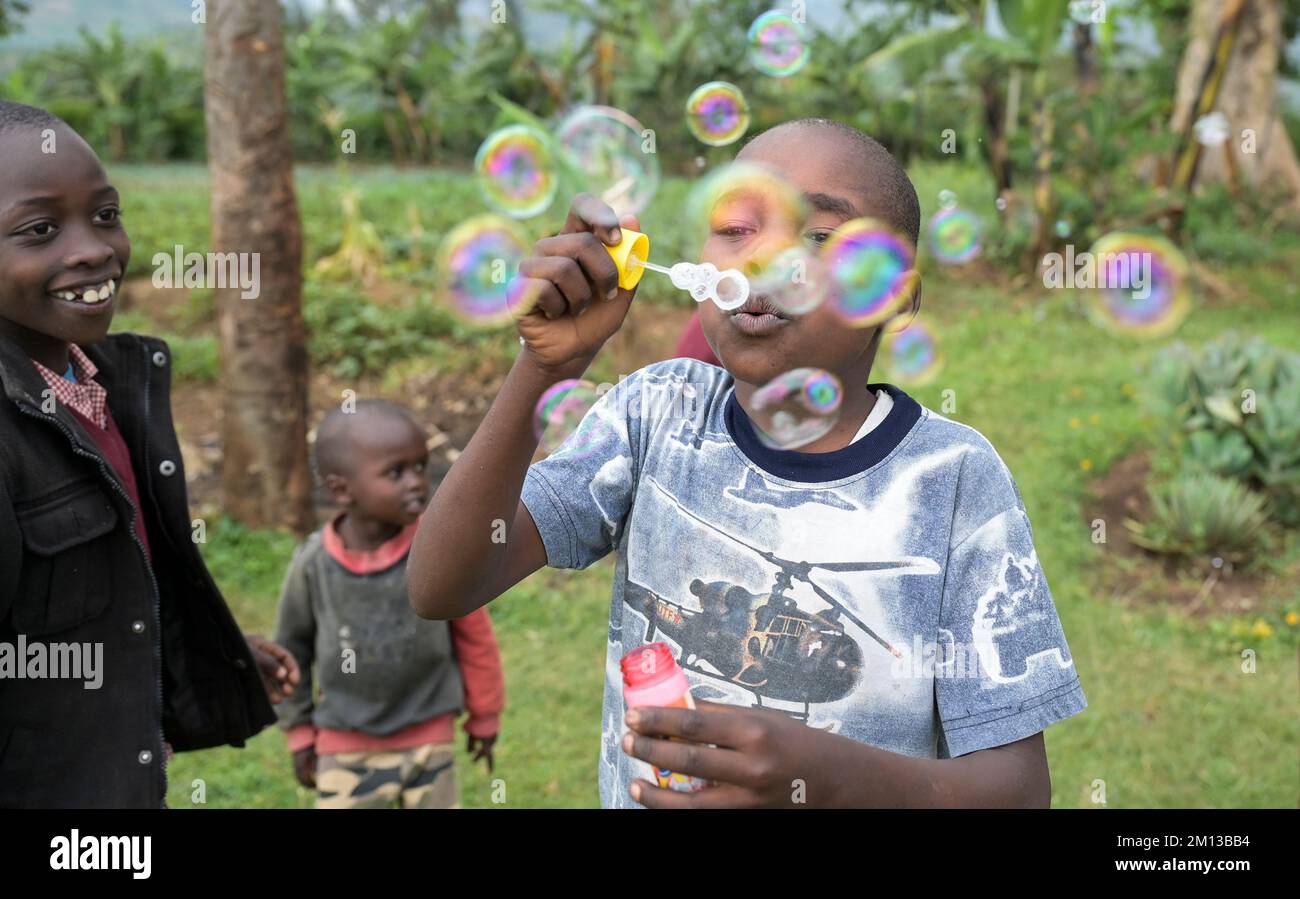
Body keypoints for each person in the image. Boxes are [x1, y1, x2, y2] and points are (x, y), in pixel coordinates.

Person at [407, 118, 1086, 809]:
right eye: (736, 228)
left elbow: (1019, 792)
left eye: (819, 237)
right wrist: (544, 365)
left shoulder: (952, 478)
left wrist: (823, 779)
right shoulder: (654, 414)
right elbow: (441, 585)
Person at [0, 100, 296, 808]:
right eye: (41, 229)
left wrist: (175, 652)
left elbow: (91, 601)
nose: (94, 248)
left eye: (105, 215)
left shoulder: (99, 385)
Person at [275, 400, 504, 808]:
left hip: (428, 738)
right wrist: (299, 733)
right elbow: (290, 651)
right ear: (341, 489)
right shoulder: (313, 566)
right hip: (344, 744)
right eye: (396, 472)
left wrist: (485, 714)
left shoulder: (436, 553)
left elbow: (475, 635)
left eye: (420, 466)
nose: (417, 482)